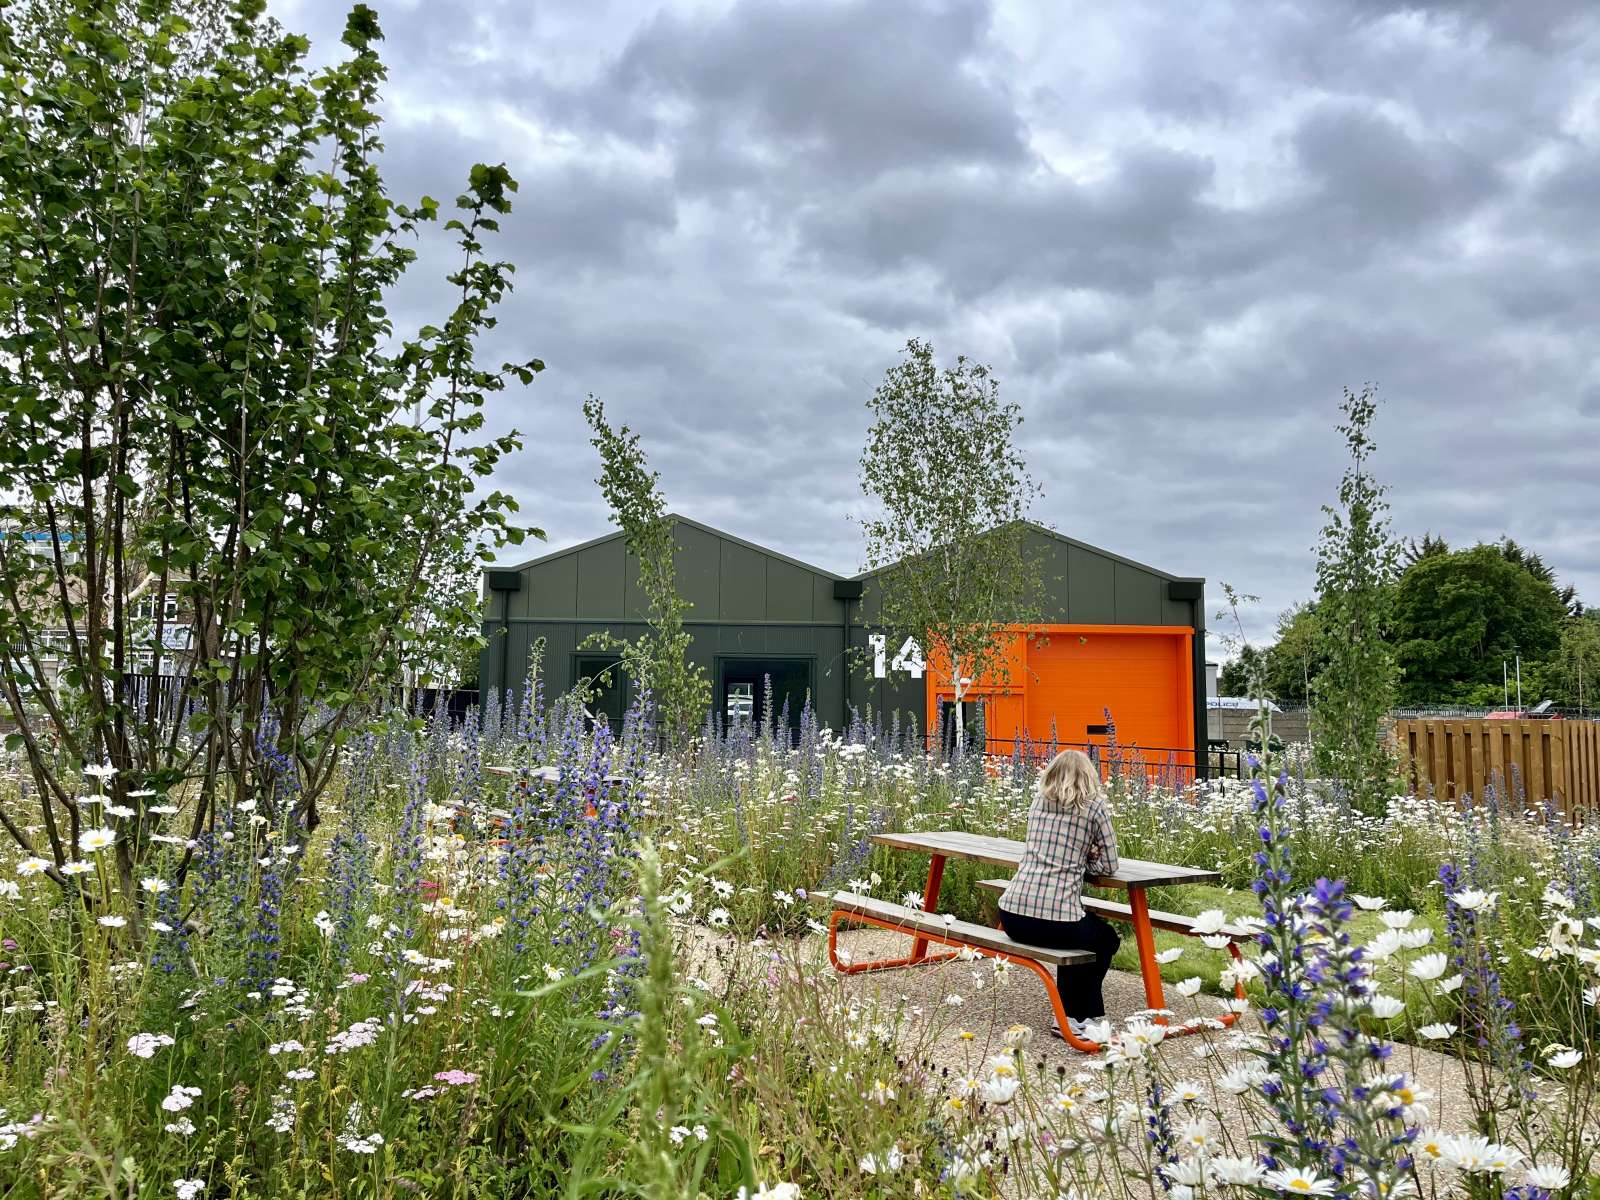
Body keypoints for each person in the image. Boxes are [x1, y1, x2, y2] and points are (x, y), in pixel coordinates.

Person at [997, 749, 1120, 1040]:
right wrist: (1087, 858)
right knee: (1105, 939)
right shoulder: (1095, 807)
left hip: (1012, 915)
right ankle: (1080, 1017)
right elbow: (1110, 865)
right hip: (1056, 920)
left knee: (1080, 932)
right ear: (1089, 777)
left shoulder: (1039, 801)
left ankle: (1068, 1015)